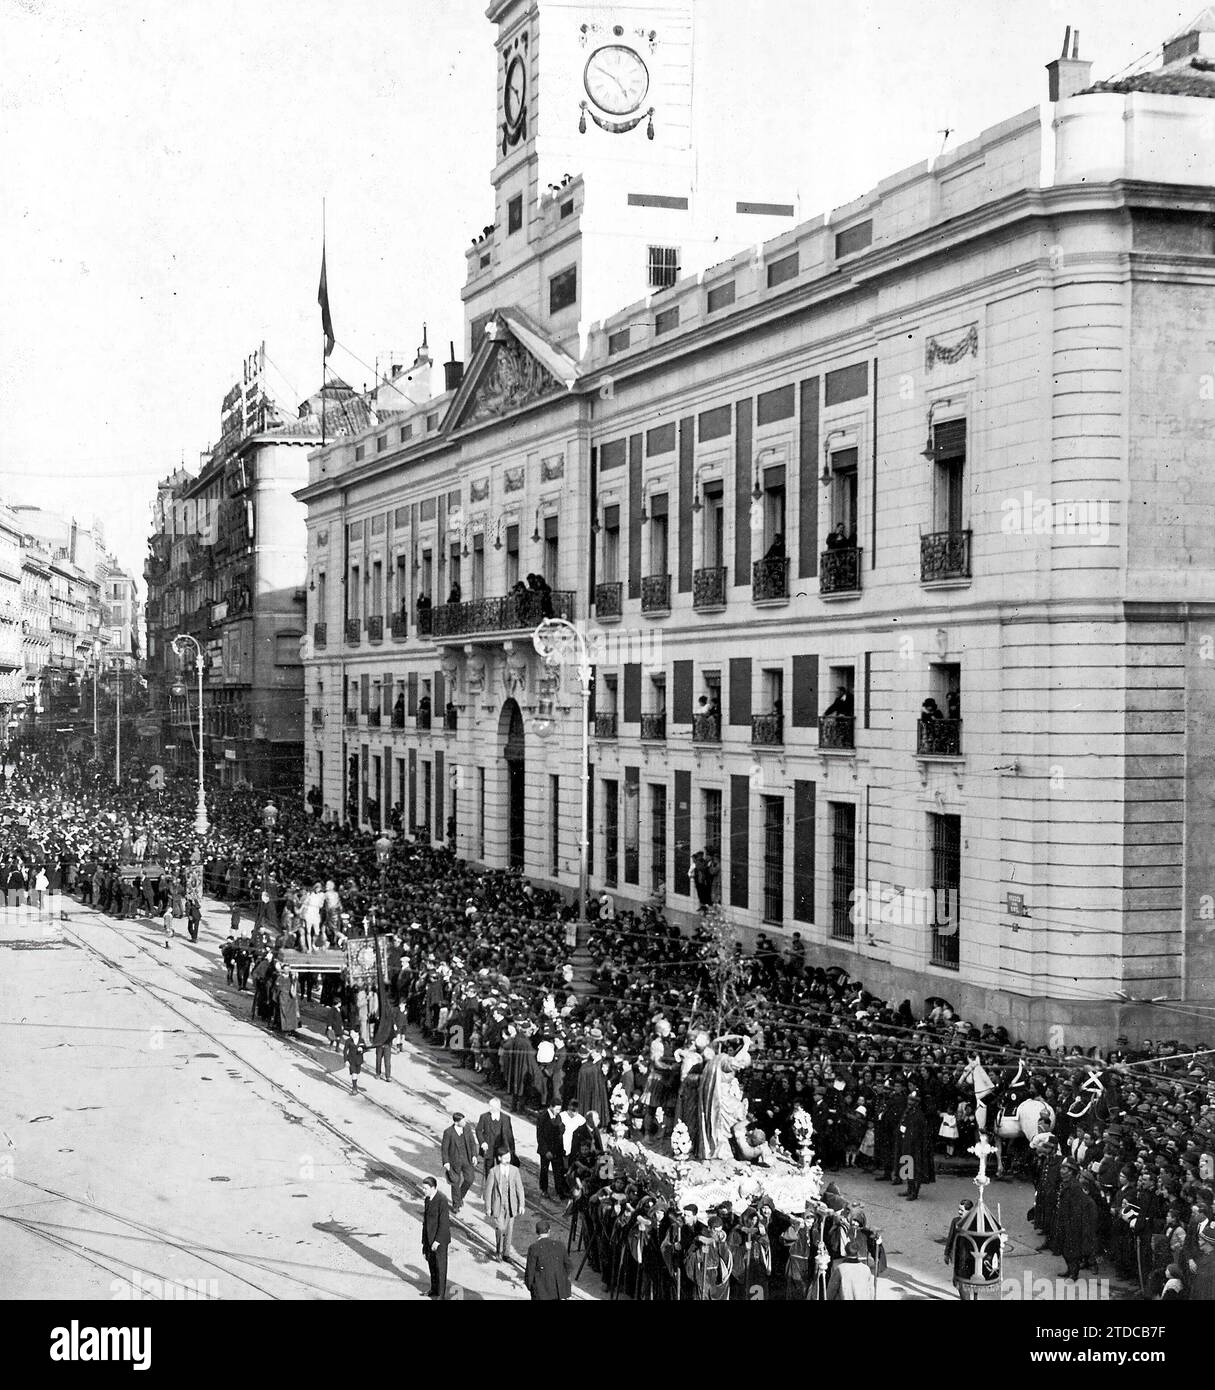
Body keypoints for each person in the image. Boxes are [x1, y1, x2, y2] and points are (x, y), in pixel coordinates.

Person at [484, 1145, 526, 1264]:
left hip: (511, 1205)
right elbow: (488, 1191)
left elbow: (520, 1189)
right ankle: (499, 1251)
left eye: (509, 1157)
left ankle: (506, 1254)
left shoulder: (514, 1170)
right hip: (498, 1205)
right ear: (499, 1158)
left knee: (509, 1229)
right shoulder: (493, 1171)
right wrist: (488, 1207)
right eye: (505, 1158)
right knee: (500, 1228)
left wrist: (521, 1205)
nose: (507, 1160)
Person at [440, 1112, 478, 1214]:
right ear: (457, 1122)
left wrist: (474, 1155)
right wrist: (446, 1162)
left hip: (466, 1159)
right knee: (455, 1183)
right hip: (454, 1161)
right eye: (462, 1121)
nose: (465, 1122)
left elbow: (472, 1143)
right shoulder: (448, 1132)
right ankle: (456, 1205)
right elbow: (444, 1148)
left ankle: (459, 1197)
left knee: (470, 1179)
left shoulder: (467, 1129)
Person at [420, 1175, 451, 1299]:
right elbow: (426, 1221)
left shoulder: (442, 1200)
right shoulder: (428, 1199)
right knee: (432, 1265)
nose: (424, 1190)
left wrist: (437, 1241)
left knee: (441, 1268)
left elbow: (444, 1223)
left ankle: (441, 1295)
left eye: (425, 1188)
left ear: (433, 1188)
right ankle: (434, 1289)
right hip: (429, 1239)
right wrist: (424, 1243)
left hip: (439, 1241)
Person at [476, 1096, 517, 1176]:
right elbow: (478, 1130)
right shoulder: (484, 1117)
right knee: (489, 1170)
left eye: (492, 1107)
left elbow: (510, 1135)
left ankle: (499, 1187)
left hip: (502, 1149)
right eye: (490, 1106)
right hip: (488, 1148)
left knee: (501, 1170)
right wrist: (482, 1142)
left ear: (498, 1107)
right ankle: (489, 1186)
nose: (490, 1108)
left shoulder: (506, 1118)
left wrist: (512, 1150)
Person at [536, 1099, 568, 1200]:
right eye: (557, 1109)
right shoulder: (543, 1117)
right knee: (544, 1170)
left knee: (558, 1170)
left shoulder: (558, 1117)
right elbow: (540, 1136)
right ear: (551, 1107)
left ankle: (559, 1191)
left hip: (556, 1149)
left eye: (560, 1109)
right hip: (546, 1150)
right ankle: (544, 1189)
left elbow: (560, 1134)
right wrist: (546, 1151)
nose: (558, 1111)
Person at [372, 996, 399, 1081]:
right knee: (387, 1061)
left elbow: (375, 1031)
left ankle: (378, 1074)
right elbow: (393, 1032)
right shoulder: (391, 1020)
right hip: (387, 1043)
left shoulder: (379, 1020)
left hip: (381, 1043)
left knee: (379, 1059)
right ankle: (387, 1076)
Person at [343, 1029, 365, 1093]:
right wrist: (346, 1060)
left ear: (357, 1033)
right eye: (350, 1033)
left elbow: (365, 1048)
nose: (350, 1034)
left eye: (352, 1033)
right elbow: (345, 1051)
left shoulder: (361, 1040)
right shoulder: (348, 1041)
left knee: (357, 1073)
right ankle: (354, 1088)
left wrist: (362, 1050)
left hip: (359, 1060)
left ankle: (355, 1084)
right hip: (351, 1060)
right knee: (354, 1073)